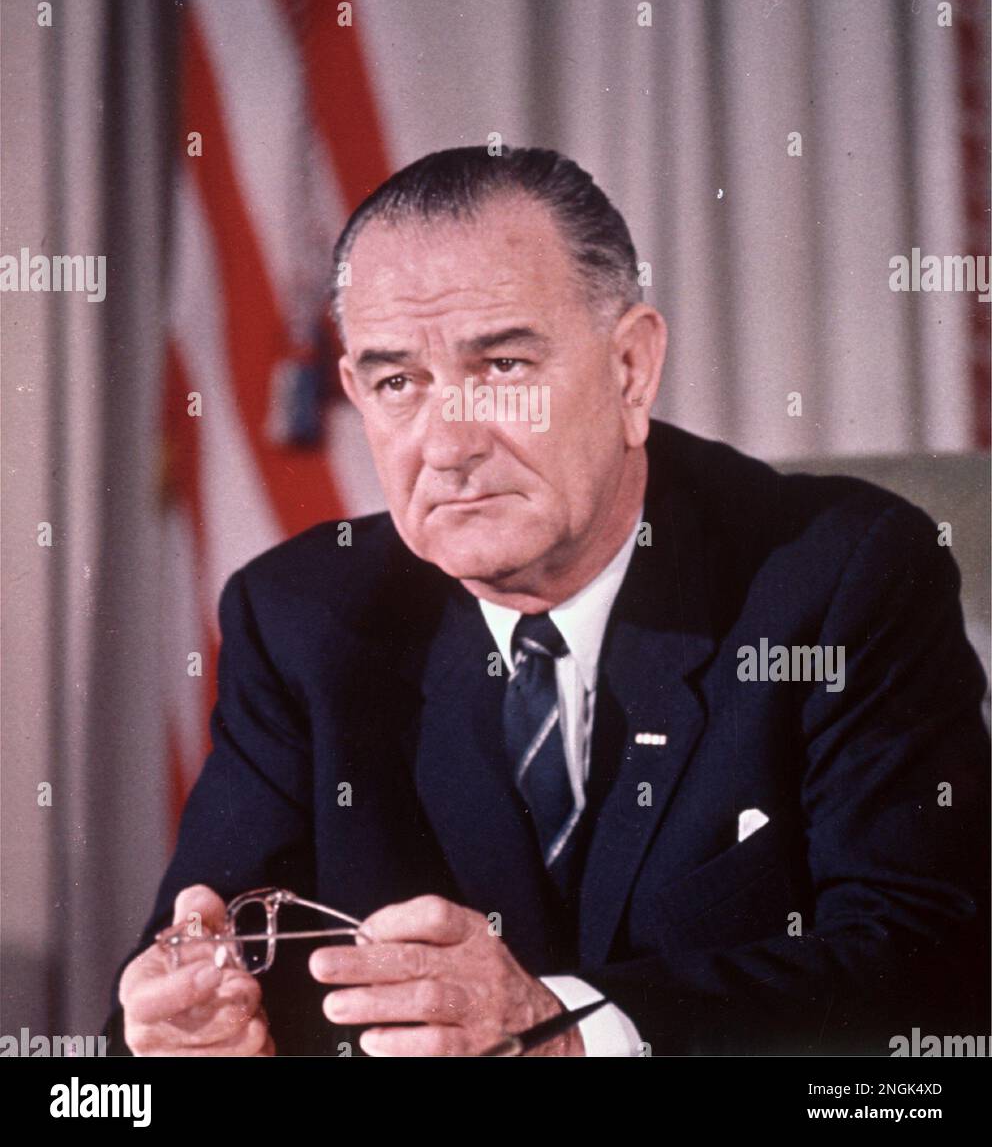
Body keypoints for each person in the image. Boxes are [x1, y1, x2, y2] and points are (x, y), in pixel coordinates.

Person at [107, 146, 989, 1057]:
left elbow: (931, 979)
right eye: (397, 382)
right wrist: (186, 1038)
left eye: (502, 365)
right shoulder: (303, 617)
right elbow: (197, 964)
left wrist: (567, 1033)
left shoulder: (842, 578)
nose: (446, 446)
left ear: (631, 371)